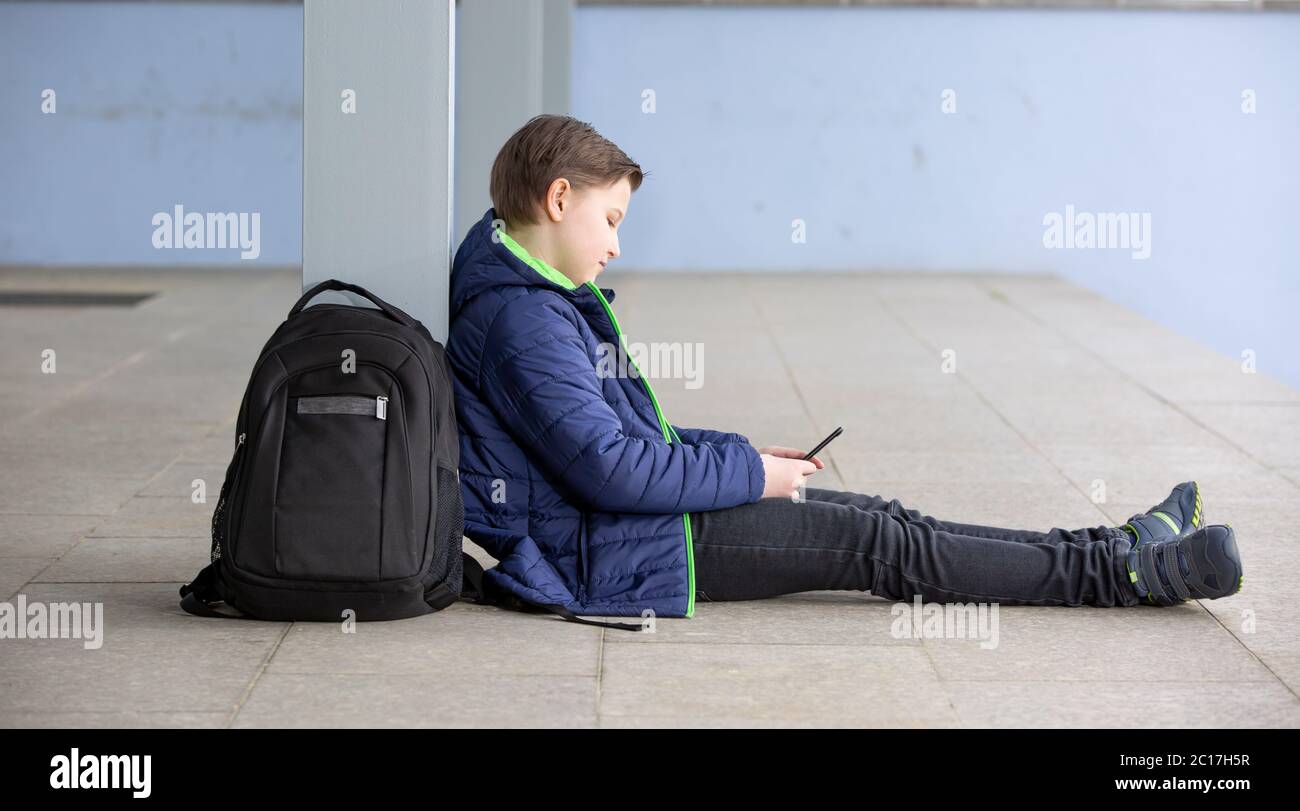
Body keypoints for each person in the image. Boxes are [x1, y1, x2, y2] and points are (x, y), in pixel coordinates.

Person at [446, 114, 1244, 629]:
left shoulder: (529, 301)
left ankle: (1111, 550)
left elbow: (614, 443)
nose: (617, 244)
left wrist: (749, 460)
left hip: (634, 527)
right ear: (558, 199)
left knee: (891, 522)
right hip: (629, 548)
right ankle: (1128, 571)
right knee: (881, 543)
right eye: (611, 219)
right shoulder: (522, 320)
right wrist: (746, 473)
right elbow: (612, 472)